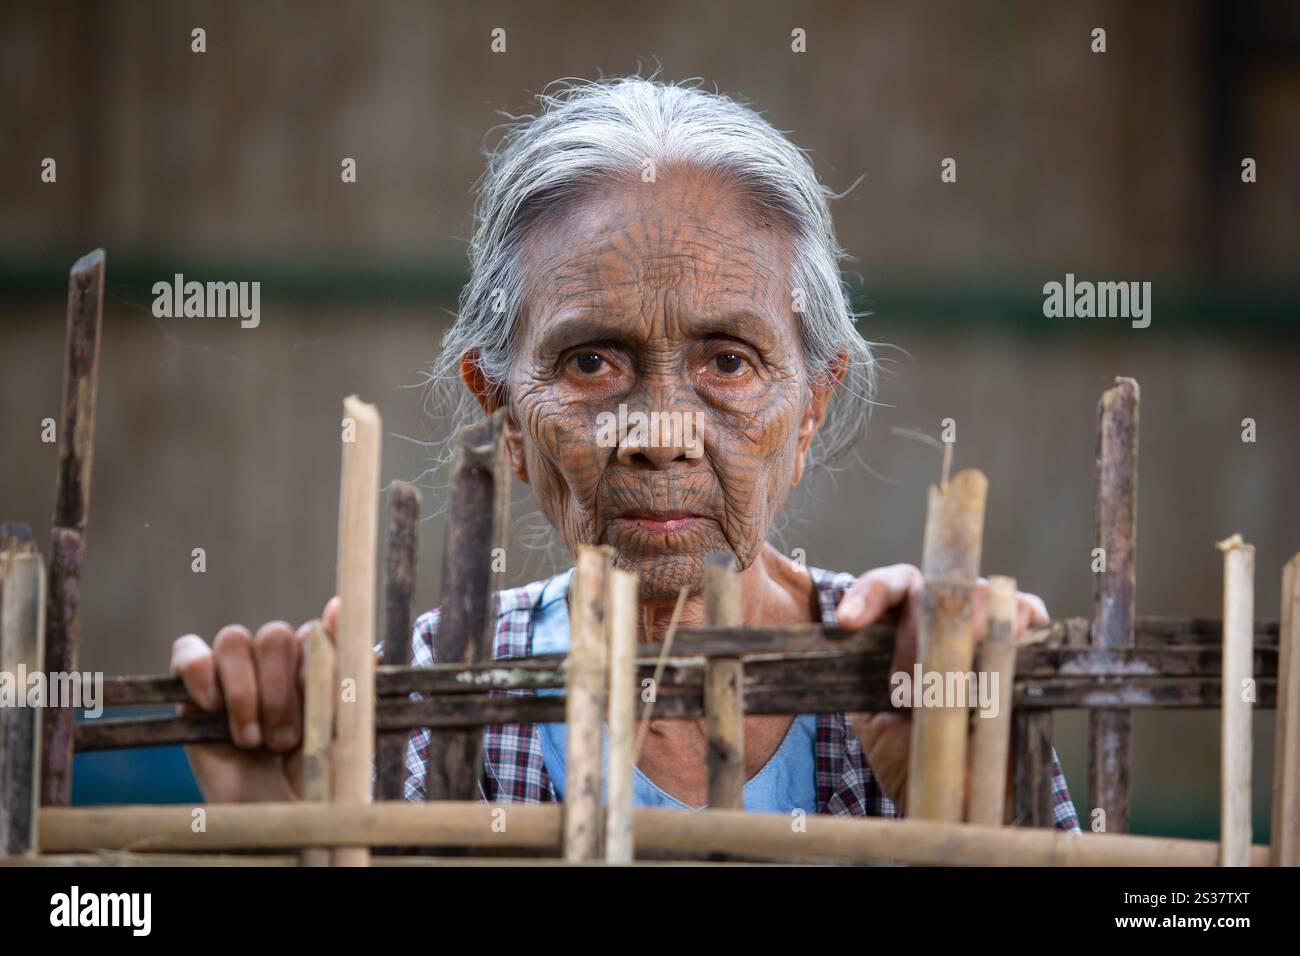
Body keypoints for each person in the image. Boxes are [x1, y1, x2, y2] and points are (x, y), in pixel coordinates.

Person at [169, 76, 1080, 830]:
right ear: (505, 416)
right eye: (591, 361)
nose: (659, 433)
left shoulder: (925, 686)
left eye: (727, 360)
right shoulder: (407, 709)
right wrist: (277, 830)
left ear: (811, 409)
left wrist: (979, 821)